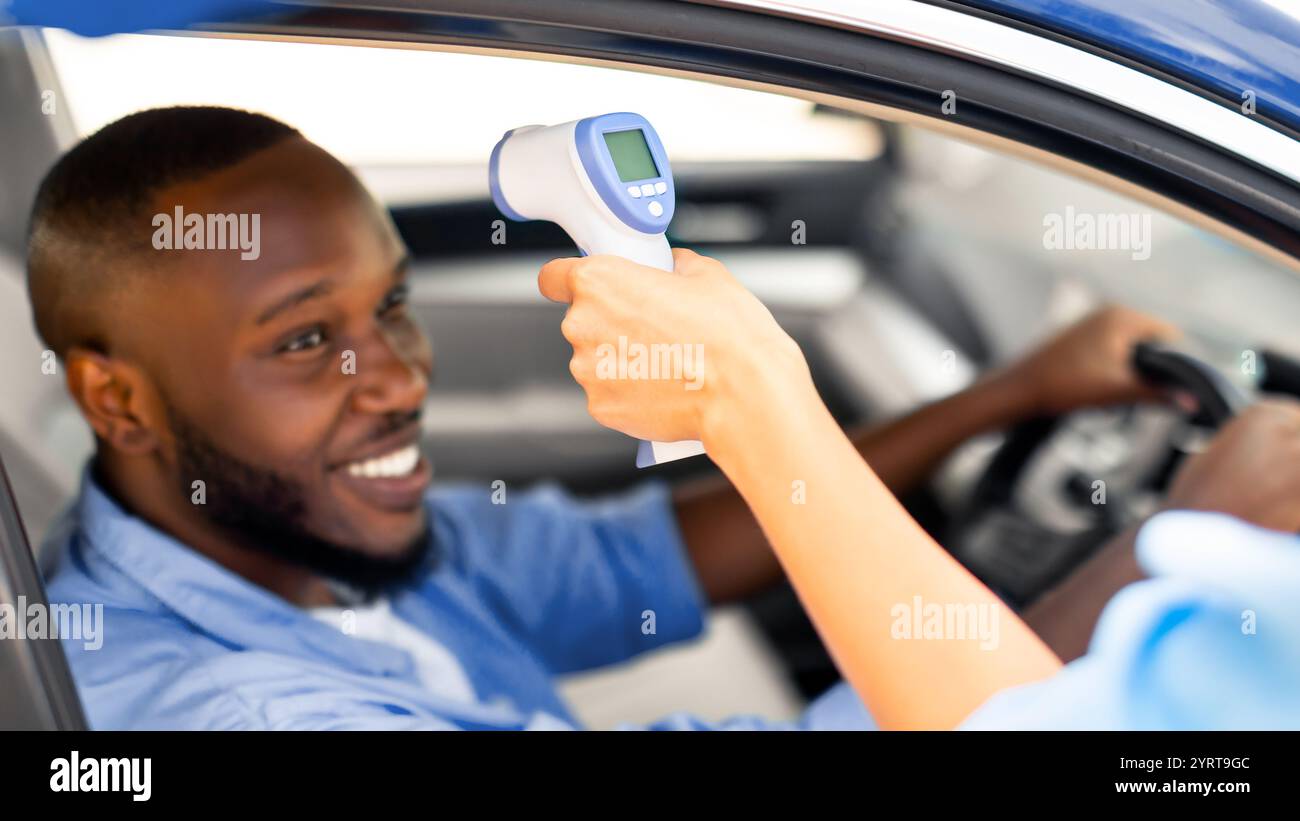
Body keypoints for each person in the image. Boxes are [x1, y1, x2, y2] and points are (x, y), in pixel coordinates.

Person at [26, 105, 1285, 729]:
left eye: (391, 307)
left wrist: (1007, 394)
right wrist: (1174, 552)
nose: (398, 376)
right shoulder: (233, 714)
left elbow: (660, 554)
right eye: (307, 339)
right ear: (118, 398)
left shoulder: (320, 533)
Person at [540, 249, 1300, 729]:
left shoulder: (452, 560)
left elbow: (644, 558)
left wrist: (1014, 391)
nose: (412, 381)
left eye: (412, 308)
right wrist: (741, 394)